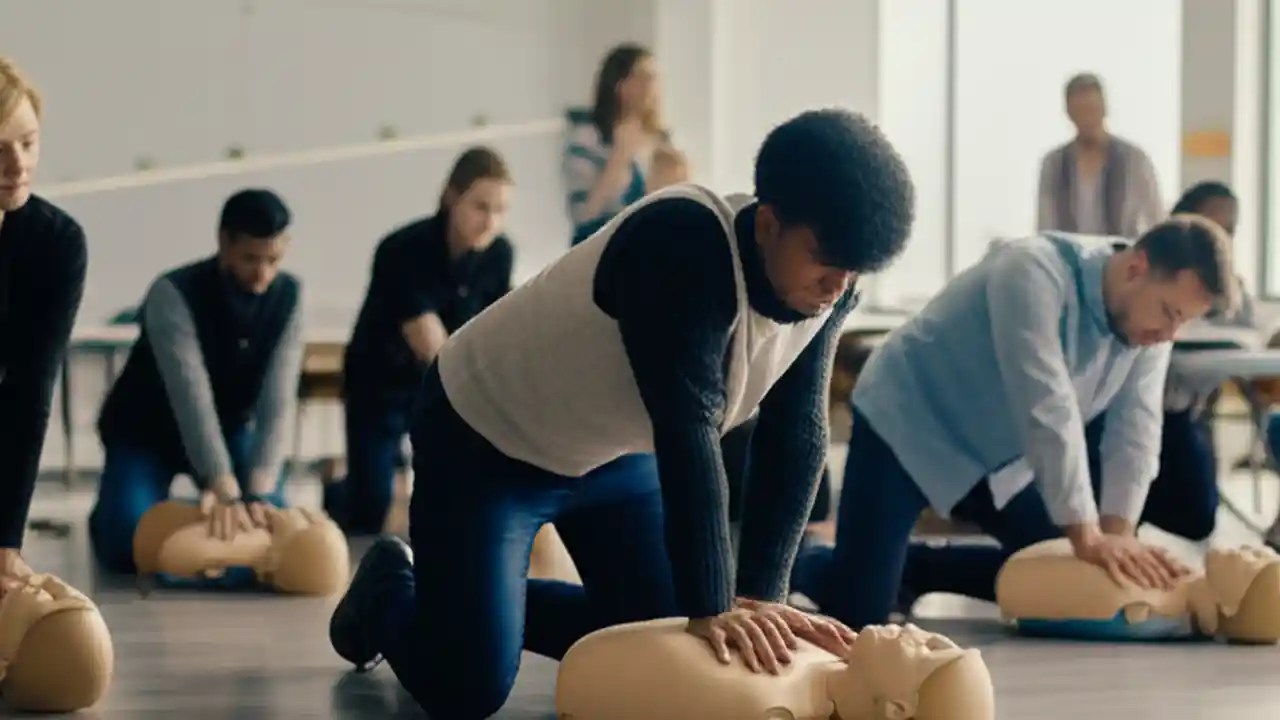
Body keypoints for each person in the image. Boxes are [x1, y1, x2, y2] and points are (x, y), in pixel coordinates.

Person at [328, 108, 915, 719]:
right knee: (467, 688)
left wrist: (761, 594)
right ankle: (392, 589)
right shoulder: (684, 244)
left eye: (854, 272)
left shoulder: (830, 281)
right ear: (768, 225)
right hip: (486, 438)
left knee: (668, 643)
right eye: (826, 261)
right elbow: (688, 430)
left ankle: (470, 603)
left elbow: (797, 432)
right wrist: (715, 603)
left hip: (609, 456)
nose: (837, 285)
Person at [790, 215, 1236, 630]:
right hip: (909, 423)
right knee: (858, 613)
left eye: (1183, 321)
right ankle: (807, 558)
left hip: (997, 456)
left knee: (1074, 573)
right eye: (1170, 313)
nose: (1169, 335)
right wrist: (1089, 535)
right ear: (1137, 267)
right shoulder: (1034, 271)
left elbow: (1136, 428)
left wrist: (1116, 538)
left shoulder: (1148, 330)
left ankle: (909, 567)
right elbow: (1047, 408)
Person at [88, 188, 304, 574]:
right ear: (223, 243)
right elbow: (192, 398)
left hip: (230, 429)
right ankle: (118, 512)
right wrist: (223, 490)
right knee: (123, 542)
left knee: (277, 524)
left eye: (274, 260)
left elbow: (278, 401)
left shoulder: (290, 297)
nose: (263, 274)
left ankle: (191, 525)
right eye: (250, 259)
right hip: (146, 433)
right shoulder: (172, 293)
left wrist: (255, 492)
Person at [326, 147, 515, 535]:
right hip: (381, 386)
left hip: (442, 383)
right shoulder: (401, 249)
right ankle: (337, 489)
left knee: (456, 494)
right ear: (451, 196)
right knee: (370, 510)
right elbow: (429, 342)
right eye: (481, 207)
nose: (490, 221)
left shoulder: (500, 254)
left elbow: (498, 329)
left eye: (500, 211)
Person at [1085, 181, 1250, 544]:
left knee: (1197, 513)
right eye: (1210, 225)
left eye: (1229, 230)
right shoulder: (1145, 278)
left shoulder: (1230, 290)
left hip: (1180, 412)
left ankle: (1123, 518)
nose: (1218, 238)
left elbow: (1249, 331)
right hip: (1106, 412)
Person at [0, 57, 88, 592]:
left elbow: (30, 391)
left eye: (28, 143)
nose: (18, 164)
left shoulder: (56, 242)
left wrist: (5, 544)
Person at [563, 43, 667, 245]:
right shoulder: (586, 138)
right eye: (641, 77)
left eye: (654, 77)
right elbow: (584, 216)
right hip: (600, 248)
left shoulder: (661, 139)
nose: (650, 85)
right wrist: (620, 156)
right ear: (618, 83)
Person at [1037, 73, 1165, 238]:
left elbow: (1154, 216)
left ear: (1104, 110)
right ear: (1069, 113)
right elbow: (1045, 225)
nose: (1087, 119)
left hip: (1122, 255)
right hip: (1068, 258)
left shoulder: (1134, 159)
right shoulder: (1053, 164)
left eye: (1091, 110)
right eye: (1080, 111)